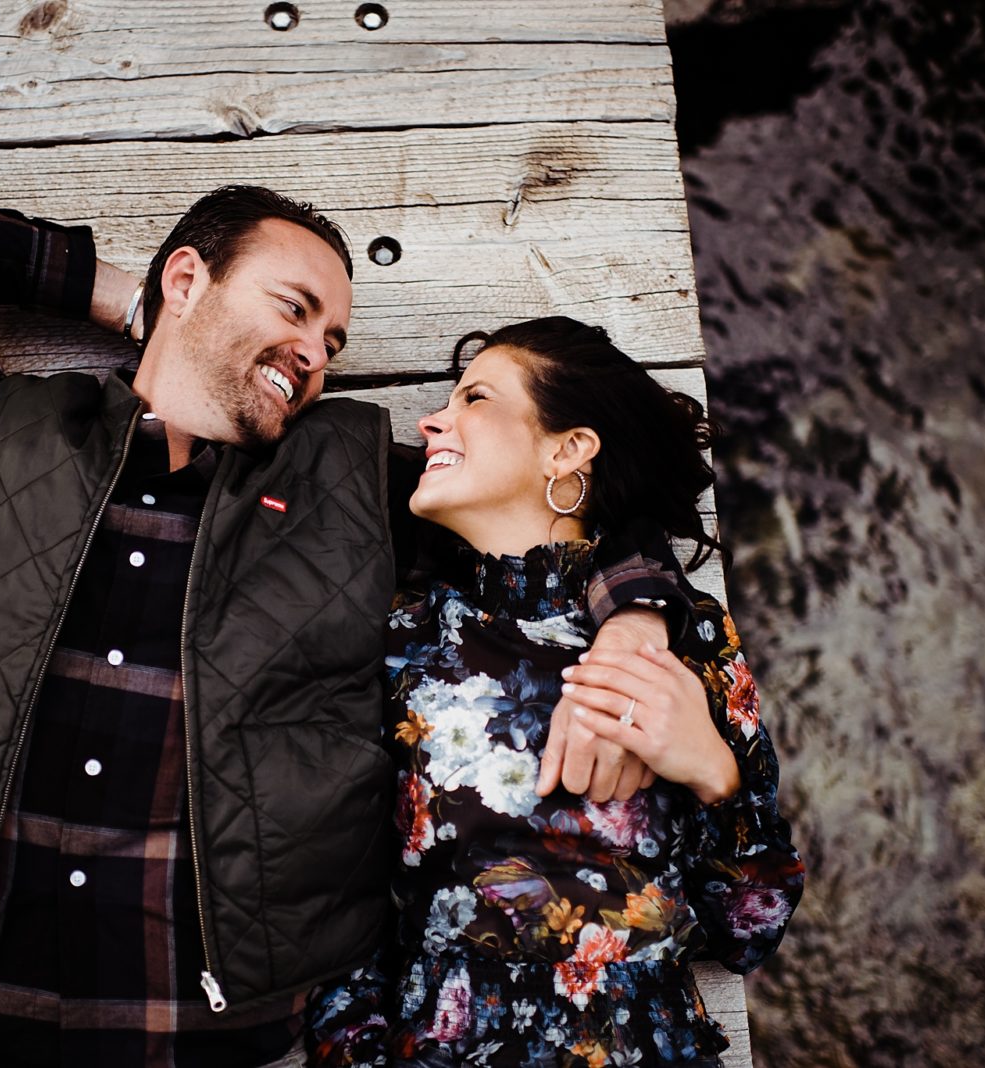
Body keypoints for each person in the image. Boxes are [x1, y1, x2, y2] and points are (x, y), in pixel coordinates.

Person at [0, 189, 707, 1067]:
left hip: (220, 1035)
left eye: (332, 343)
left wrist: (635, 623)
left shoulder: (352, 490)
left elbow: (568, 509)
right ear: (186, 277)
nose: (313, 356)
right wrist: (133, 300)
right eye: (295, 309)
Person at [306, 318, 805, 1067]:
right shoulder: (400, 640)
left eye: (474, 397)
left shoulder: (686, 633)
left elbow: (747, 933)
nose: (433, 418)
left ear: (569, 449)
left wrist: (714, 772)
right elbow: (335, 907)